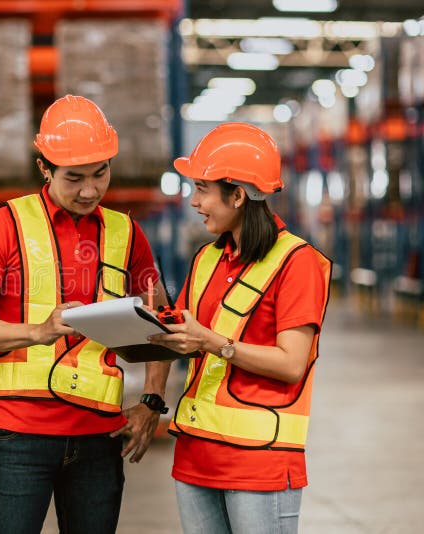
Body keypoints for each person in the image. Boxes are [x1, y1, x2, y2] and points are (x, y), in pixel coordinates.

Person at [0, 94, 172, 534]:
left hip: (99, 439)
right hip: (20, 437)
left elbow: (161, 321)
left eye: (100, 173)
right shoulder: (5, 225)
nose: (90, 190)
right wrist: (39, 330)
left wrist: (151, 400)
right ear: (44, 168)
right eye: (74, 178)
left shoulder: (126, 233)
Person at [147, 122, 331, 534]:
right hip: (196, 455)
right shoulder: (206, 258)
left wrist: (212, 342)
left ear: (237, 194)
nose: (194, 202)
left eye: (202, 190)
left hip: (259, 461)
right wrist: (148, 328)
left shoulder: (296, 262)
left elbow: (291, 364)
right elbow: (189, 338)